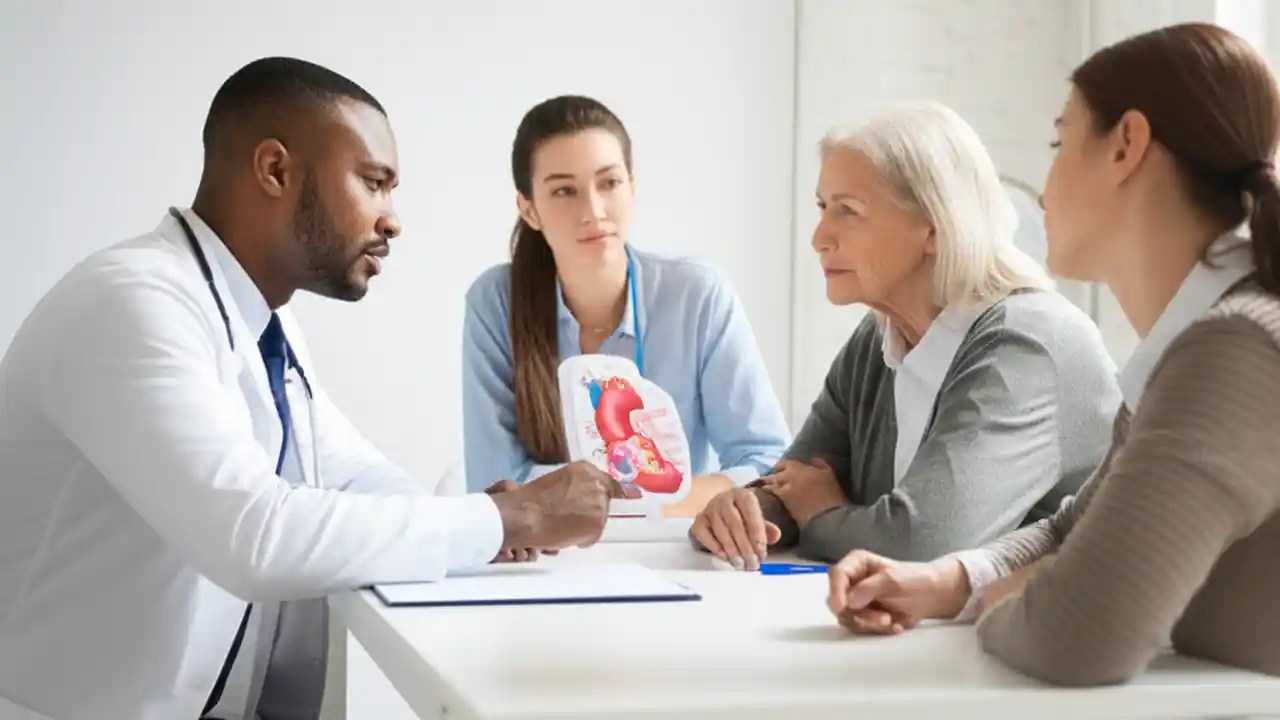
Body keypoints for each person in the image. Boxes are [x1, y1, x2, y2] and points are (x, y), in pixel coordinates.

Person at [0, 58, 621, 720]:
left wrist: (489, 526)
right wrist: (506, 518)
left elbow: (348, 475)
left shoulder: (264, 322)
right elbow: (254, 534)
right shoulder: (131, 304)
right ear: (274, 170)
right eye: (373, 183)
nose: (392, 220)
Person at [825, 22, 1280, 687]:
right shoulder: (1198, 346)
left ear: (1127, 145)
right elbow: (1072, 531)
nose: (1043, 188)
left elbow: (1075, 637)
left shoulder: (1235, 353)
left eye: (1060, 141)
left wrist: (1013, 598)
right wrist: (944, 582)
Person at [691, 101, 1120, 570]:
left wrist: (820, 513)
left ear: (934, 226)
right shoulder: (879, 337)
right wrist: (742, 512)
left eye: (847, 211)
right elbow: (795, 479)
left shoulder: (1025, 343)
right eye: (822, 207)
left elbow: (924, 544)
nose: (820, 237)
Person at [462, 95, 791, 515]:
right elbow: (495, 484)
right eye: (564, 190)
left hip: (671, 548)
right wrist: (641, 503)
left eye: (609, 183)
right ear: (529, 209)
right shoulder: (494, 304)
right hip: (546, 558)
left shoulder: (698, 295)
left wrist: (653, 508)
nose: (593, 211)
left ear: (632, 187)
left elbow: (767, 461)